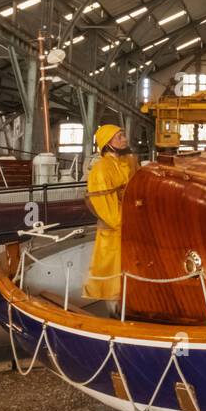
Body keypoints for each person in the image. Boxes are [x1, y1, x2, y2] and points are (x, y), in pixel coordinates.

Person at [84, 124, 138, 303]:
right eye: (119, 137)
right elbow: (106, 207)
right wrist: (126, 222)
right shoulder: (101, 169)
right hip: (116, 228)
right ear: (107, 143)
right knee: (112, 269)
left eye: (123, 135)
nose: (125, 139)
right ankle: (114, 301)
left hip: (131, 222)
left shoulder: (128, 161)